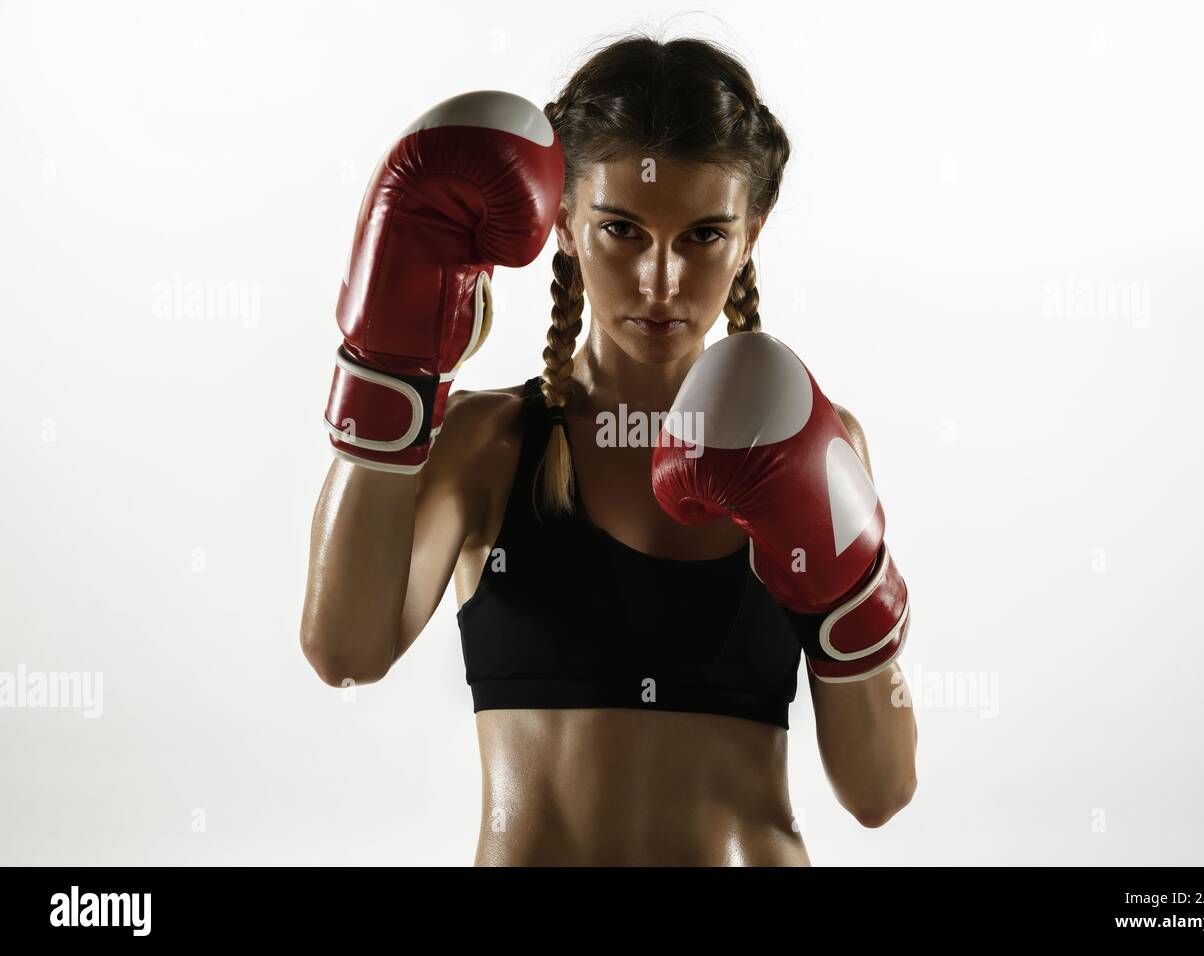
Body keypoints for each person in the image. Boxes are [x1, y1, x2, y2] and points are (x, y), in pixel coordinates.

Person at [302, 34, 918, 866]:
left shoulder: (820, 441)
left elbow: (879, 793)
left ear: (752, 235)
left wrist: (856, 599)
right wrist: (390, 365)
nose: (660, 280)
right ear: (562, 223)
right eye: (622, 229)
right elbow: (344, 652)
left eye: (703, 235)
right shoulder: (491, 443)